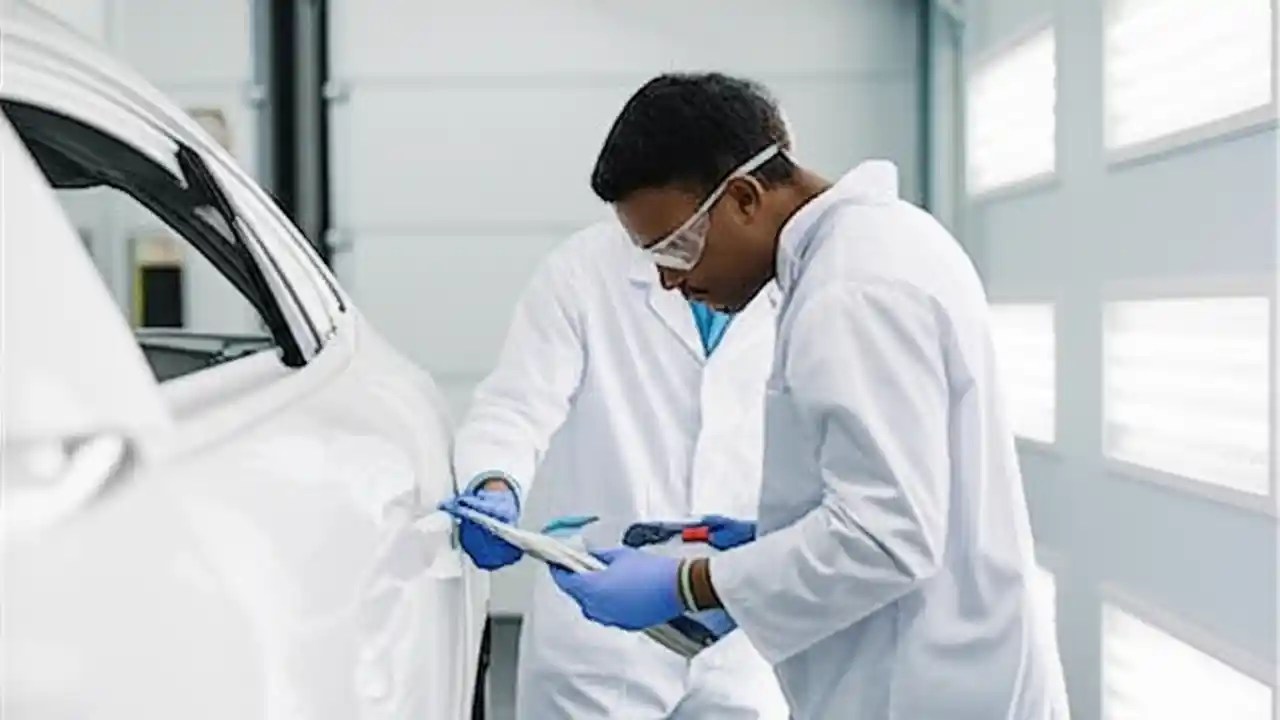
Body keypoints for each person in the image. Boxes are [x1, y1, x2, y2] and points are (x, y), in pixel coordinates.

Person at [548, 72, 1071, 720]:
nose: (669, 278)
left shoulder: (851, 290)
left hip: (921, 689)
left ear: (742, 197)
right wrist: (772, 534)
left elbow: (888, 536)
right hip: (938, 669)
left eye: (677, 246)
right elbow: (899, 481)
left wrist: (689, 583)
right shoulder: (882, 242)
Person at [442, 153, 791, 714]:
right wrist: (495, 483)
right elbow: (516, 404)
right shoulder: (584, 271)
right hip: (599, 632)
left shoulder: (796, 285)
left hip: (742, 629)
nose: (668, 271)